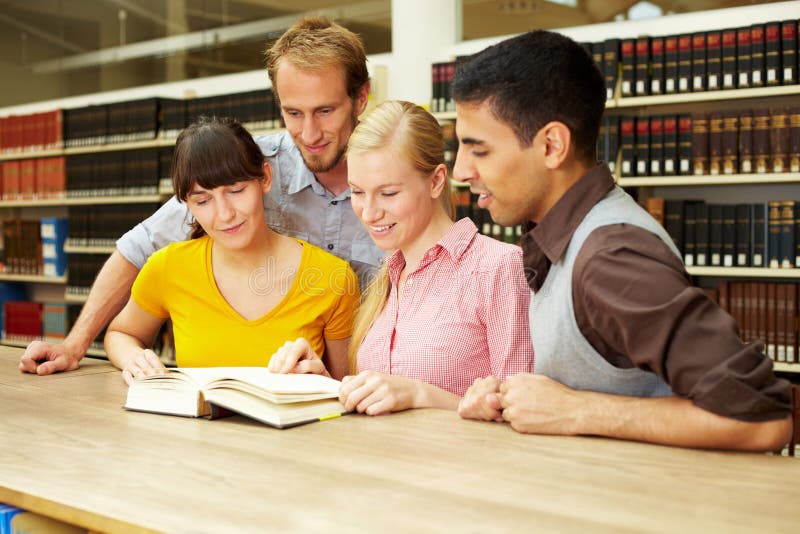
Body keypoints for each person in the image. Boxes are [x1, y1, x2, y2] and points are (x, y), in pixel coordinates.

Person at [453, 30, 792, 451]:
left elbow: (763, 418)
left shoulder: (612, 257)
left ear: (552, 145)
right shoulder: (565, 238)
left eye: (478, 150)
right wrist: (515, 402)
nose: (460, 171)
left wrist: (577, 410)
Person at [20, 16, 382, 375]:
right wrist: (74, 344)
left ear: (361, 97)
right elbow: (138, 248)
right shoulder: (243, 168)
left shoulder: (397, 182)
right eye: (292, 113)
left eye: (325, 111)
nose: (309, 132)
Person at [268, 100, 533, 417]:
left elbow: (522, 413)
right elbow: (384, 400)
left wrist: (420, 394)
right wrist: (322, 383)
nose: (369, 212)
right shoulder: (387, 276)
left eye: (388, 193)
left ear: (435, 181)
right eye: (357, 192)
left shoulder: (499, 267)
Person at [105, 117, 358, 383]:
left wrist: (322, 379)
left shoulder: (333, 278)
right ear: (187, 204)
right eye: (203, 200)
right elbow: (121, 334)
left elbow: (346, 386)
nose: (224, 214)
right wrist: (134, 358)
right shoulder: (168, 267)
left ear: (265, 179)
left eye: (236, 190)